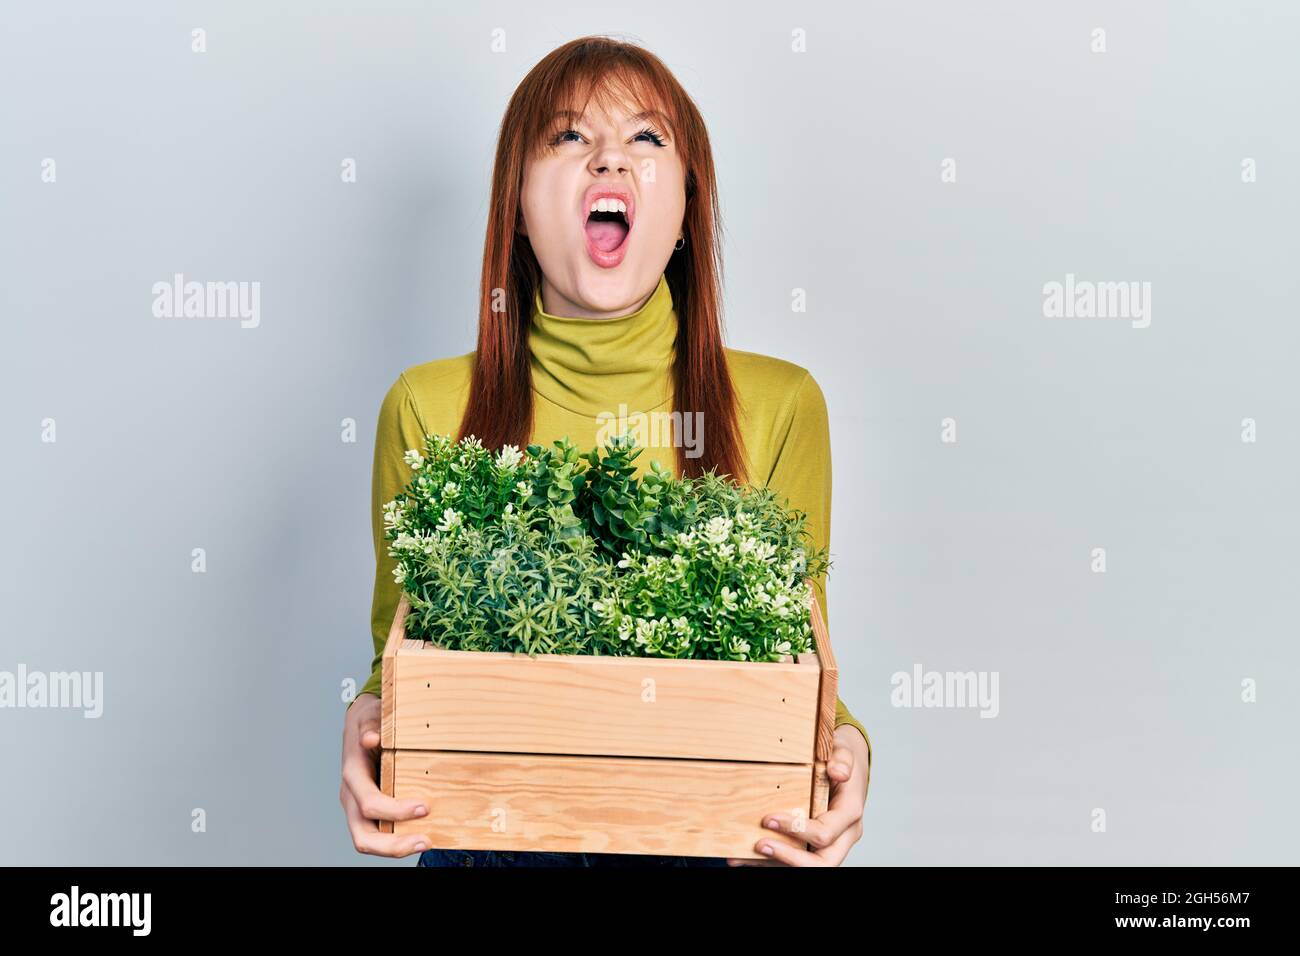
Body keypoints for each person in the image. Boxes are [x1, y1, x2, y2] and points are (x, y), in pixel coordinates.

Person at [340, 35, 872, 867]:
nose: (608, 163)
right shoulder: (427, 406)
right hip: (490, 846)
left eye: (646, 139)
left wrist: (847, 751)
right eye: (567, 138)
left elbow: (800, 665)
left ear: (690, 209)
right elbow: (396, 665)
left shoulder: (780, 405)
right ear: (514, 208)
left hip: (713, 845)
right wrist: (367, 727)